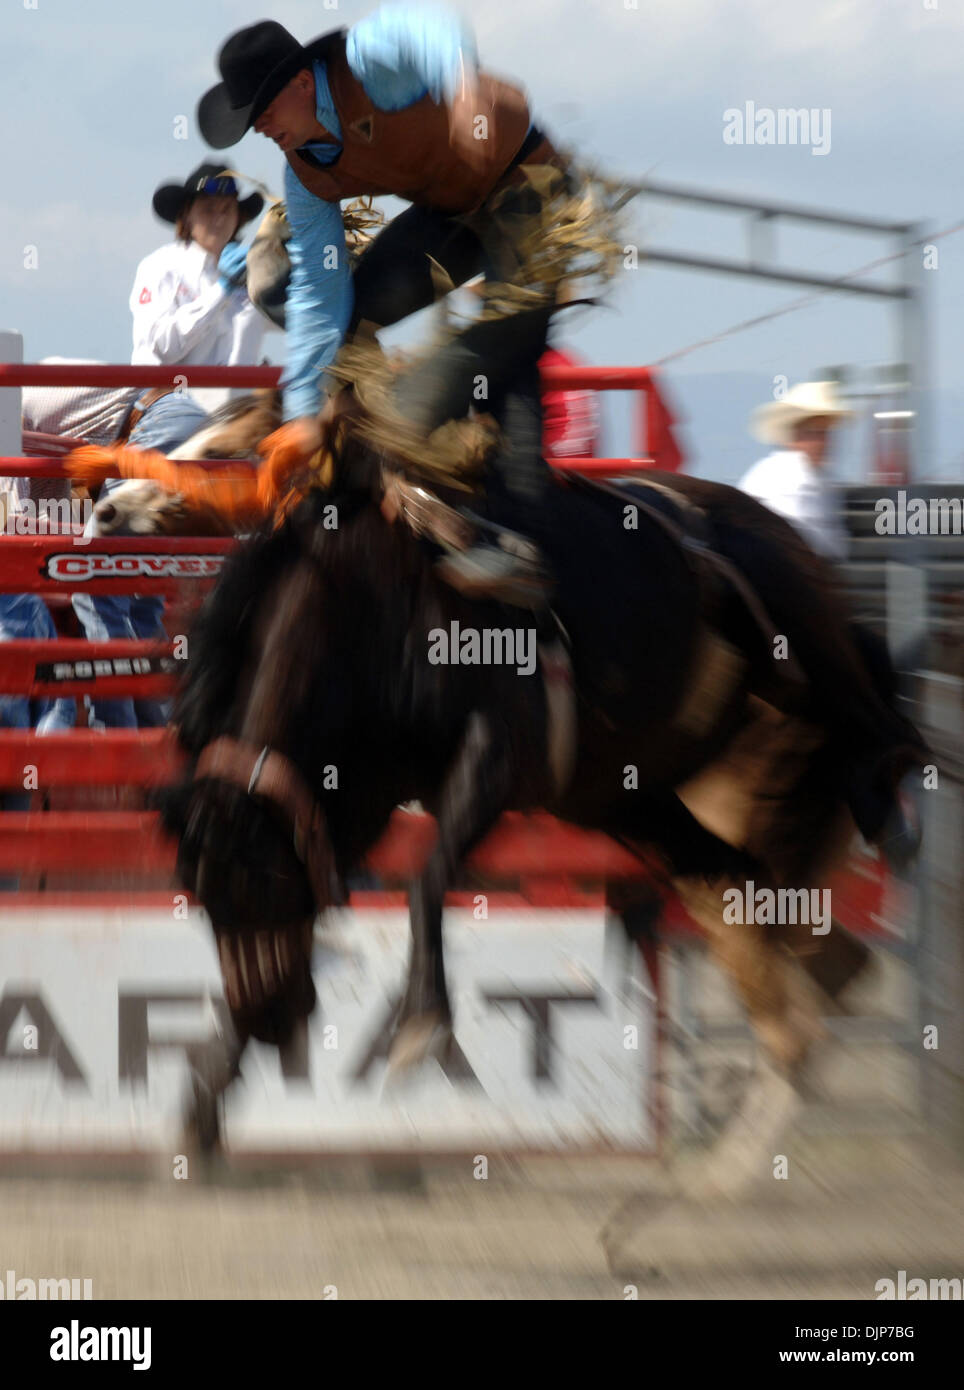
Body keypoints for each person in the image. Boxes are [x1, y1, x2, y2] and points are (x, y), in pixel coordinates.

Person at [198, 8, 623, 603]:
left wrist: (462, 86)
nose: (262, 128)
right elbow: (321, 297)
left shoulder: (366, 63)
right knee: (349, 317)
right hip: (448, 219)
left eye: (264, 111)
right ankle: (374, 465)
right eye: (253, 122)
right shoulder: (305, 179)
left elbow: (428, 24)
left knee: (496, 342)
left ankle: (499, 521)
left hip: (532, 193)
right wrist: (299, 415)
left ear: (301, 82)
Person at [73, 163, 267, 728]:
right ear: (185, 216)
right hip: (198, 427)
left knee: (98, 578)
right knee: (143, 593)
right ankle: (155, 730)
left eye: (228, 209)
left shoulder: (250, 282)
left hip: (191, 425)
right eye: (206, 206)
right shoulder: (163, 267)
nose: (218, 215)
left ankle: (130, 740)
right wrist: (223, 293)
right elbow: (161, 343)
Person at [738, 380, 853, 563]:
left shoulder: (823, 478)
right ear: (793, 438)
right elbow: (805, 544)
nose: (824, 442)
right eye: (814, 433)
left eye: (826, 433)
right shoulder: (785, 475)